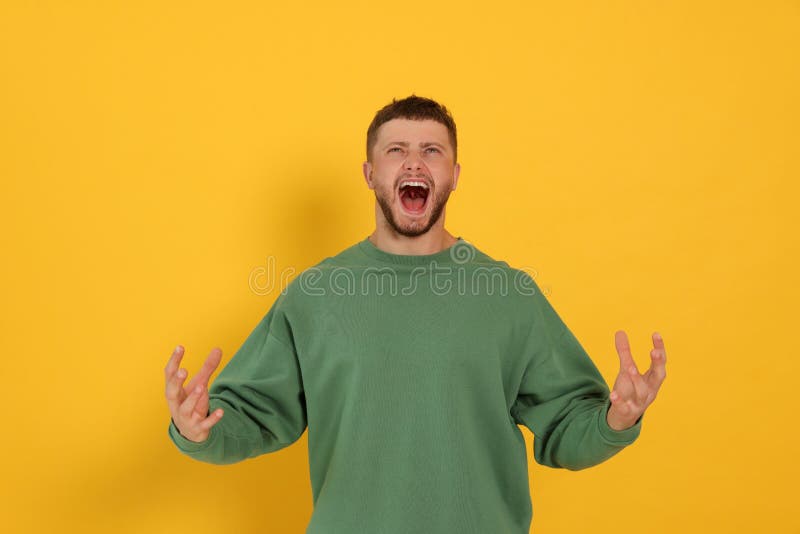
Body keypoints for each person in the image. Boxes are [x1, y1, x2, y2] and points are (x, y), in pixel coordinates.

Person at [164, 95, 667, 533]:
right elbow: (248, 414)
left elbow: (567, 424)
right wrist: (196, 429)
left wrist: (615, 420)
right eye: (396, 150)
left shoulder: (507, 295)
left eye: (432, 150)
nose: (414, 163)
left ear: (454, 174)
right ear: (369, 173)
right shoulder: (314, 297)